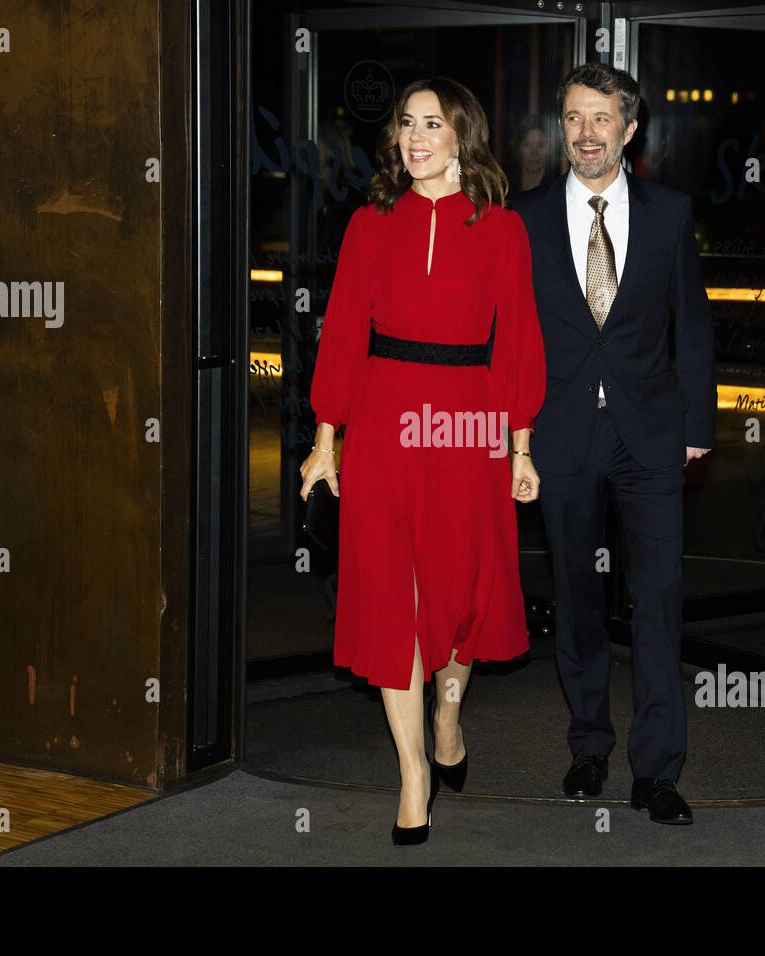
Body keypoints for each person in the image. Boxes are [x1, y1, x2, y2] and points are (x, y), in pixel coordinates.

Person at [300, 76, 546, 846]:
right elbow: (341, 332)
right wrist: (324, 440)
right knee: (392, 597)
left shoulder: (502, 229)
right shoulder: (370, 224)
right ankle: (412, 774)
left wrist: (521, 447)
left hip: (468, 423)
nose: (414, 137)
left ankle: (448, 713)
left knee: (461, 595)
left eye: (431, 124)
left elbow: (519, 344)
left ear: (461, 137)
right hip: (383, 421)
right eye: (406, 124)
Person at [511, 63, 716, 825]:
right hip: (562, 436)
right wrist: (512, 436)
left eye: (601, 119)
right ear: (561, 127)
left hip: (651, 439)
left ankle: (658, 771)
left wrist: (698, 429)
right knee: (579, 601)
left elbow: (690, 325)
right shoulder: (525, 217)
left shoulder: (668, 213)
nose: (586, 134)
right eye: (572, 118)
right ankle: (588, 748)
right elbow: (512, 333)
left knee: (658, 604)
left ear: (630, 129)